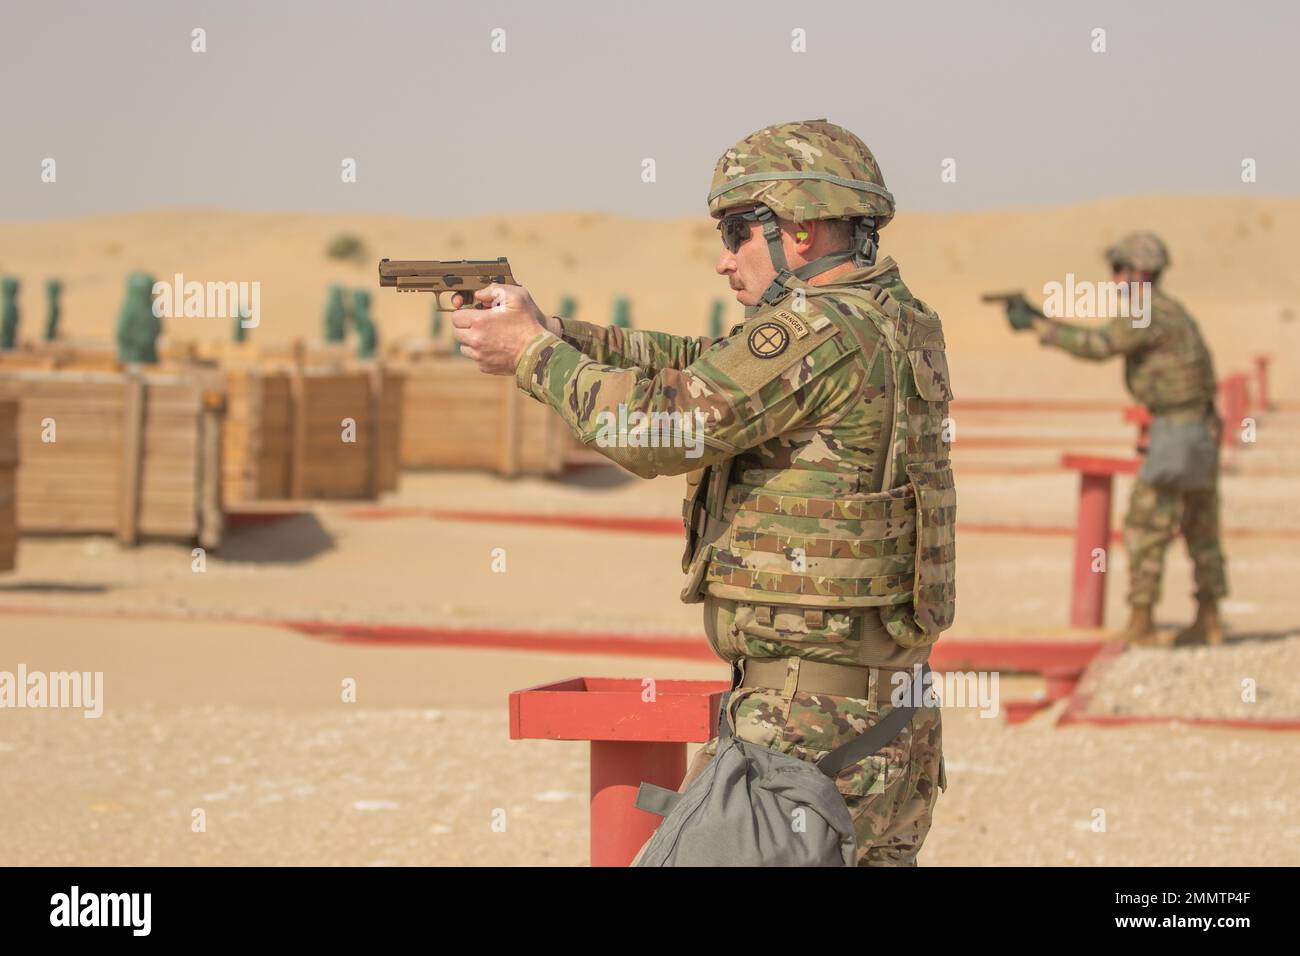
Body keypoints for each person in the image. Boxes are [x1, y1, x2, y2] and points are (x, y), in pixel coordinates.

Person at [451, 119, 954, 865]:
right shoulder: (891, 320)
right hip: (884, 718)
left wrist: (534, 357)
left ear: (801, 227)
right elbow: (713, 363)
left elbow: (658, 428)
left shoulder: (817, 330)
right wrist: (560, 332)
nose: (723, 260)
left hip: (803, 731)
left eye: (736, 231)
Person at [1005, 233, 1226, 646]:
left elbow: (1100, 345)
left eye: (1118, 270)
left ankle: (1141, 622)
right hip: (1199, 427)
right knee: (1201, 525)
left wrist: (1039, 327)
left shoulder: (1144, 309)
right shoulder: (1167, 309)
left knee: (1146, 525)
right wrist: (1044, 318)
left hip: (1176, 432)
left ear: (1135, 271)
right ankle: (1209, 617)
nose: (1114, 279)